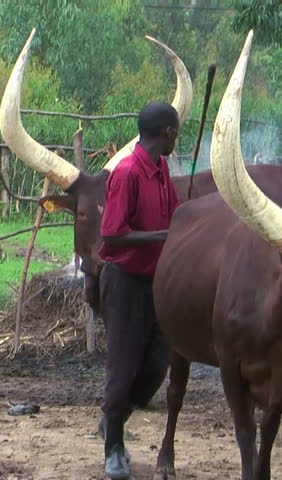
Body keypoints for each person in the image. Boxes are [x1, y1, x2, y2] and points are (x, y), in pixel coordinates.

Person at [97, 101, 181, 479]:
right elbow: (111, 236)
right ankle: (113, 446)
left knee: (154, 368)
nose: (177, 138)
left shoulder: (163, 169)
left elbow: (176, 214)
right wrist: (163, 236)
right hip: (125, 281)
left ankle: (112, 416)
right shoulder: (127, 172)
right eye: (175, 132)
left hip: (158, 282)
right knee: (124, 366)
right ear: (166, 132)